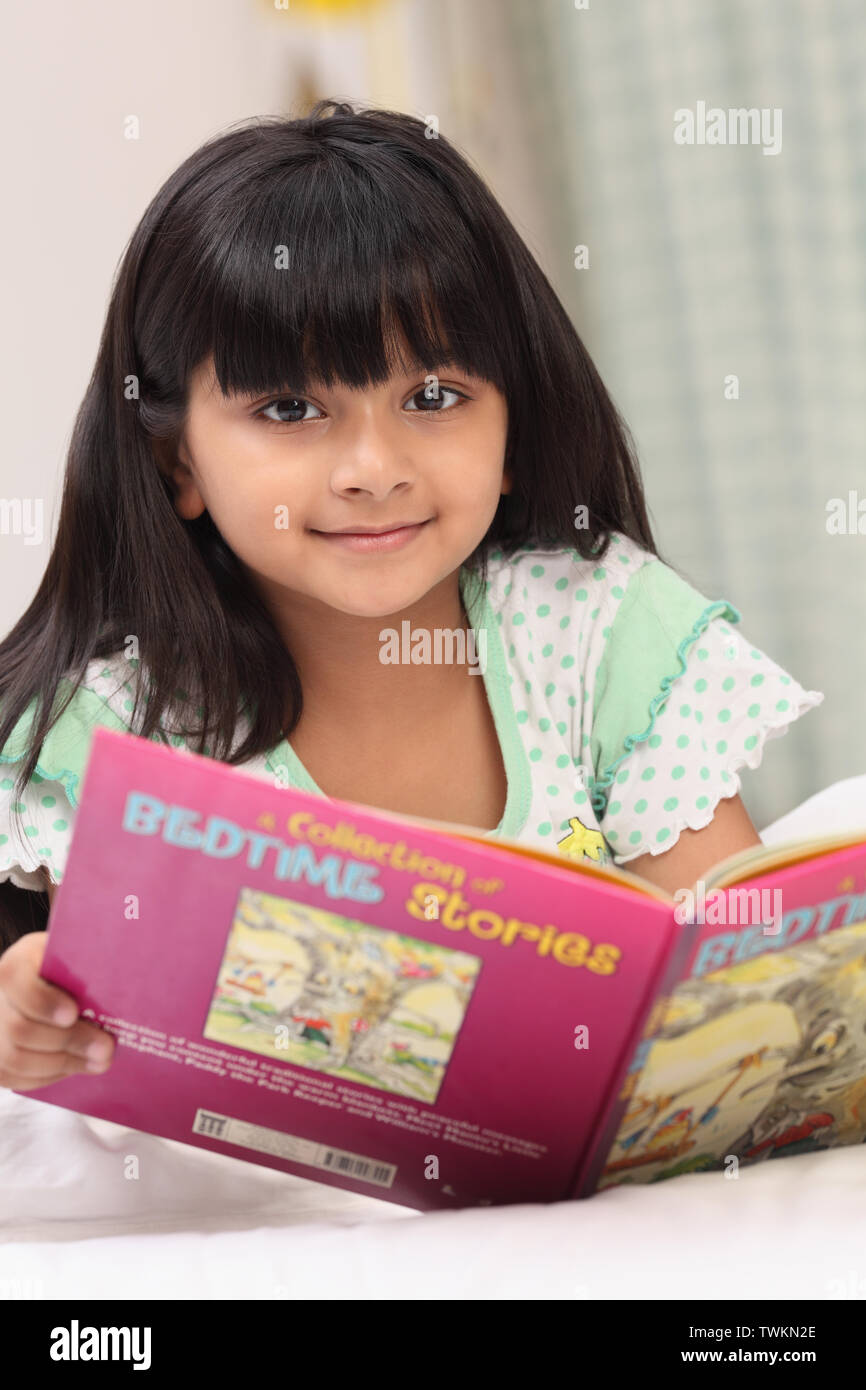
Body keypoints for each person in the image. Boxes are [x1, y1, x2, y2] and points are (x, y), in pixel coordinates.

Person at [0, 100, 823, 1093]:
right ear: (178, 459)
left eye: (432, 398)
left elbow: (737, 990)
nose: (372, 468)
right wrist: (22, 1021)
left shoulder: (599, 631)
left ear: (513, 427)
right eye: (290, 408)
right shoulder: (117, 732)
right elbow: (75, 1045)